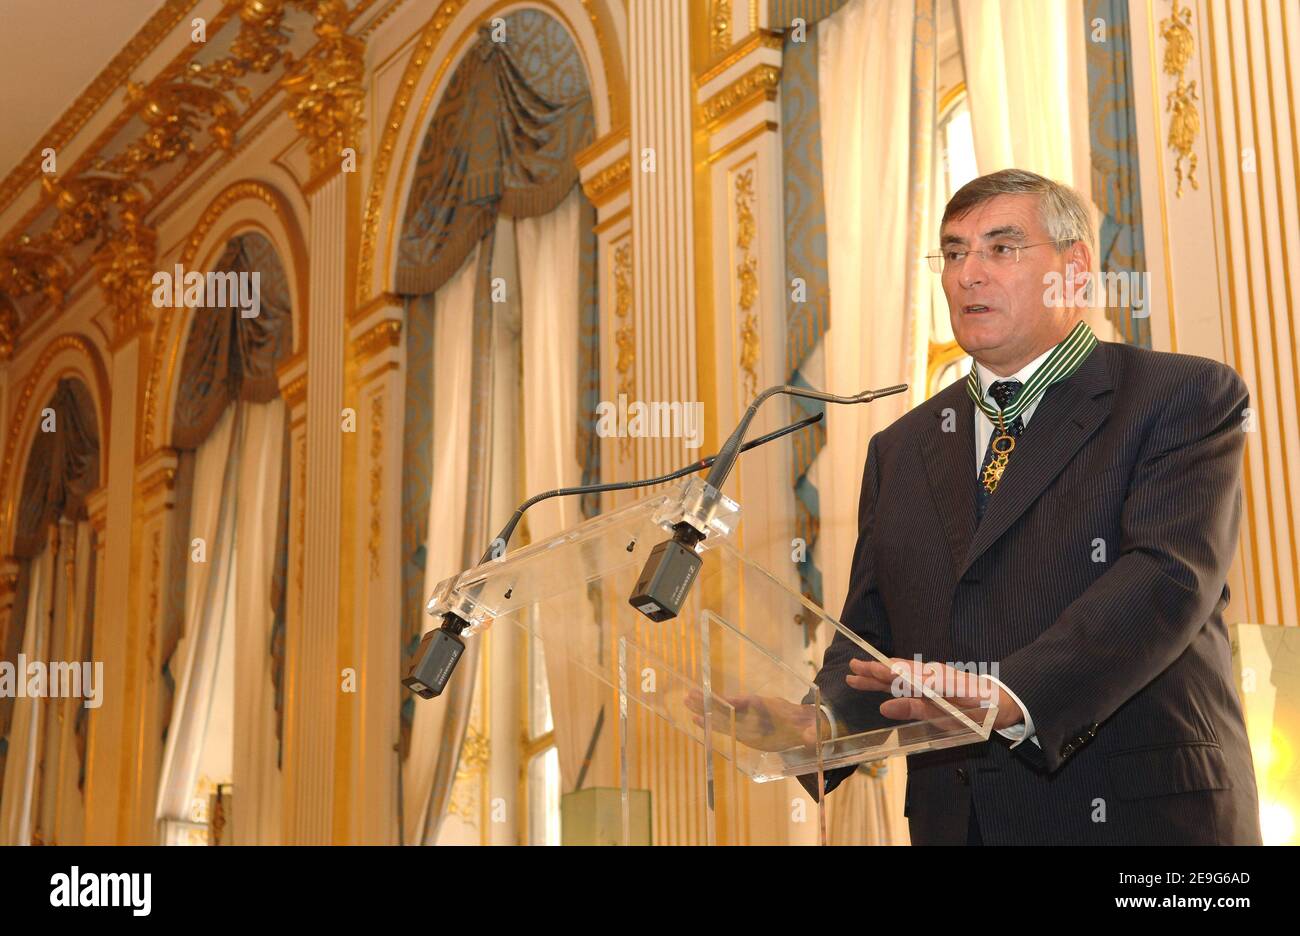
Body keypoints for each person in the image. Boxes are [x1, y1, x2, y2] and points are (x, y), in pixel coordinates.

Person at [743, 168, 1260, 845]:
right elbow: (871, 637)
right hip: (960, 823)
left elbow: (1166, 579)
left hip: (1137, 818)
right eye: (954, 253)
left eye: (1002, 248)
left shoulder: (1181, 397)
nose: (968, 274)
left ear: (1074, 269)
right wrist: (821, 724)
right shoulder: (900, 447)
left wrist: (1009, 694)